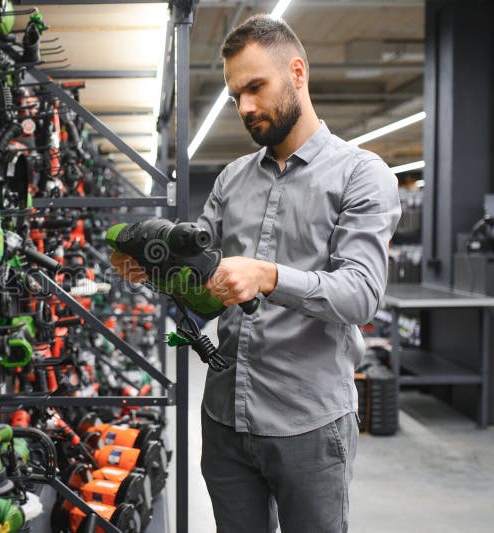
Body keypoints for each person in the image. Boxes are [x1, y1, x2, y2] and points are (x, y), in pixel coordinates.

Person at [111, 14, 402, 533]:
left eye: (254, 87)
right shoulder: (232, 178)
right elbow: (203, 294)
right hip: (226, 419)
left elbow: (361, 295)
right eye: (234, 96)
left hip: (308, 425)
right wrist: (153, 271)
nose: (244, 106)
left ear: (296, 72)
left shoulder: (362, 174)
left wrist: (269, 276)